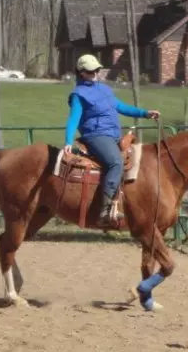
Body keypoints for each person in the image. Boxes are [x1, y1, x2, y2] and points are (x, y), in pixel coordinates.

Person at [64, 54, 160, 226]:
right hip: (96, 136)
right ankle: (106, 208)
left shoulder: (104, 89)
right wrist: (68, 141)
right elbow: (73, 119)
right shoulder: (78, 95)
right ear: (81, 72)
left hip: (114, 135)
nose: (95, 73)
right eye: (91, 71)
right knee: (115, 162)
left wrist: (145, 113)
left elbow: (121, 107)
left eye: (97, 70)